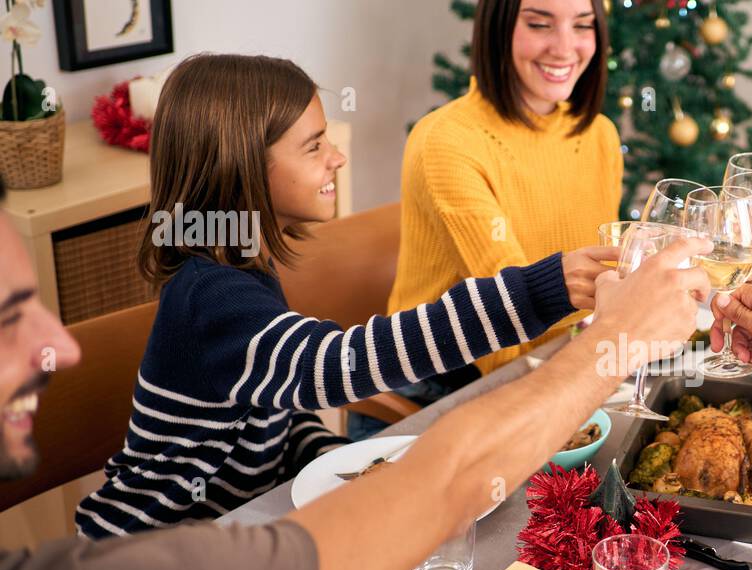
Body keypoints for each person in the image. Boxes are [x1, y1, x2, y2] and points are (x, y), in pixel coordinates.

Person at [0, 170, 712, 570]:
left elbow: (272, 419)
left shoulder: (247, 270)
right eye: (7, 320)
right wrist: (611, 344)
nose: (60, 345)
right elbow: (426, 450)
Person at [74, 54, 615, 540]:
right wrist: (538, 291)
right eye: (314, 146)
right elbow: (334, 366)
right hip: (145, 556)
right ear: (239, 168)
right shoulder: (209, 294)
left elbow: (271, 412)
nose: (336, 158)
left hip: (237, 528)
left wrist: (337, 462)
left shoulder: (244, 269)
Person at [381, 0, 622, 436]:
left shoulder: (599, 134)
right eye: (538, 24)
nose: (565, 48)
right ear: (497, 30)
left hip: (550, 364)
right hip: (445, 389)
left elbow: (604, 265)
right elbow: (508, 306)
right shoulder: (447, 140)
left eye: (582, 25)